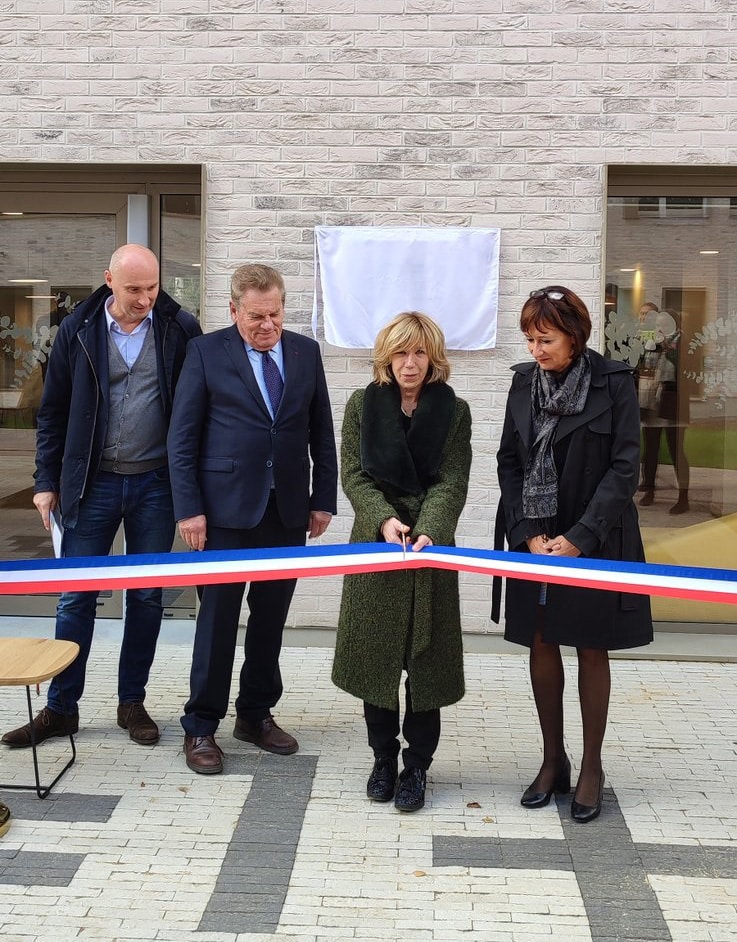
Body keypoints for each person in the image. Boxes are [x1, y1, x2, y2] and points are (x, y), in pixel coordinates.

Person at [1, 245, 201, 750]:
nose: (144, 299)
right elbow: (53, 412)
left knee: (147, 596)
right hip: (90, 485)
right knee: (76, 598)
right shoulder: (77, 330)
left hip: (156, 484)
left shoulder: (180, 329)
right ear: (109, 280)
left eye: (152, 288)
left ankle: (131, 702)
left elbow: (197, 413)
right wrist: (45, 482)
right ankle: (61, 708)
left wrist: (194, 491)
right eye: (133, 289)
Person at [169, 262, 338, 774]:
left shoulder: (306, 353)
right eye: (256, 317)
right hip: (222, 513)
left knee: (270, 619)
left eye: (275, 314)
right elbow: (182, 439)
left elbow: (322, 433)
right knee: (219, 620)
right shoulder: (204, 352)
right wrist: (190, 509)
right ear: (234, 310)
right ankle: (201, 725)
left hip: (285, 510)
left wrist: (322, 498)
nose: (267, 325)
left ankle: (256, 713)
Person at [494, 286, 652, 823]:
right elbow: (509, 463)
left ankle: (591, 767)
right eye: (530, 340)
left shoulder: (614, 383)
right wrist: (527, 533)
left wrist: (580, 537)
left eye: (546, 339)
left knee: (589, 644)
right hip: (537, 537)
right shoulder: (522, 382)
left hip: (594, 538)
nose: (536, 350)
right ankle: (552, 759)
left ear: (575, 336)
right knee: (541, 639)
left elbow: (625, 467)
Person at [332, 312, 472, 812]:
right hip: (378, 546)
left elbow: (451, 480)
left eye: (419, 354)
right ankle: (383, 759)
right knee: (377, 658)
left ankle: (417, 766)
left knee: (427, 664)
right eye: (400, 353)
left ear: (433, 358)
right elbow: (354, 475)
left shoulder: (454, 411)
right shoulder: (360, 406)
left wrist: (431, 527)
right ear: (385, 358)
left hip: (430, 549)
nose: (410, 364)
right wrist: (384, 520)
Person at [636, 304, 690, 514]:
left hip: (673, 402)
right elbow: (643, 365)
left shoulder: (683, 342)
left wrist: (667, 349)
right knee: (650, 449)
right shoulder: (653, 342)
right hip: (651, 401)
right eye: (657, 323)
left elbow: (686, 369)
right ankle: (649, 489)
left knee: (677, 451)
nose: (659, 327)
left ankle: (683, 496)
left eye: (663, 323)